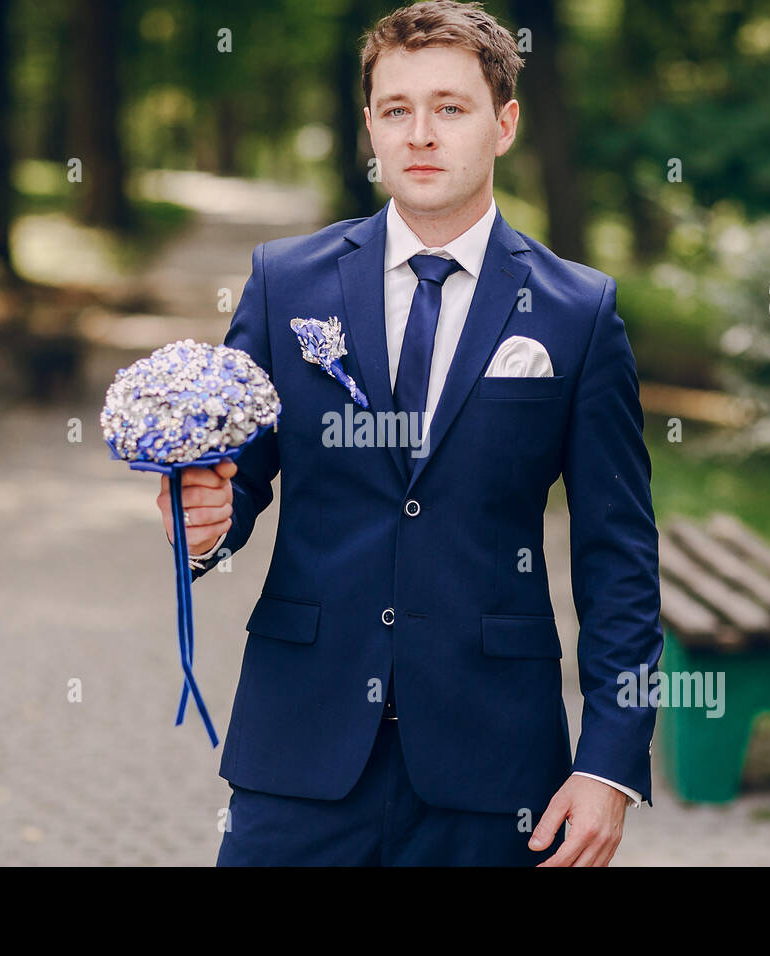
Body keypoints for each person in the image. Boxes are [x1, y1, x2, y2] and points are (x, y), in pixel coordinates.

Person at [157, 0, 663, 866]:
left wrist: (609, 764)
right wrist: (201, 517)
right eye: (397, 110)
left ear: (503, 125)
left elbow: (620, 554)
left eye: (450, 108)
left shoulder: (580, 314)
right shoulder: (285, 284)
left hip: (494, 772)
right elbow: (238, 479)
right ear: (371, 128)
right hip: (300, 753)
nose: (420, 133)